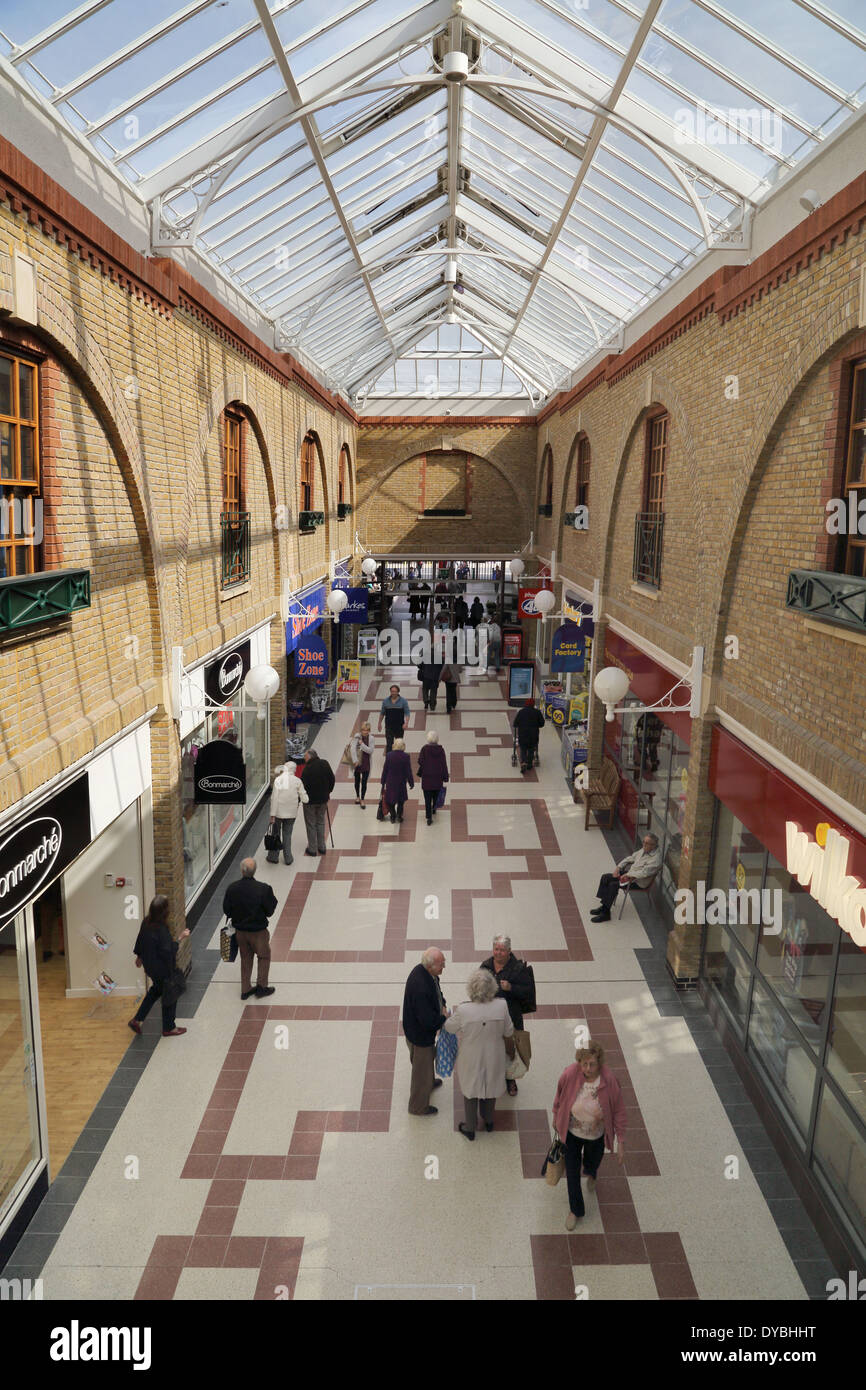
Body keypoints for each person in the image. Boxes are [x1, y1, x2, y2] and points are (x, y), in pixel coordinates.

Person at [552, 1039, 627, 1228]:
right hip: (571, 1133)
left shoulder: (609, 1080)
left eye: (592, 1063)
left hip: (596, 1135)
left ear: (599, 1062)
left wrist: (621, 1142)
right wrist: (556, 1116)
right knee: (572, 1172)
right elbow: (559, 1096)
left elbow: (618, 1109)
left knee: (592, 1161)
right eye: (584, 1063)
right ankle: (575, 1210)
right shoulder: (570, 1073)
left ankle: (592, 1172)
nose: (588, 1068)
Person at [444, 968, 513, 1140]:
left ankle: (470, 1127)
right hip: (494, 1055)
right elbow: (509, 1030)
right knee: (491, 1085)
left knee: (470, 1090)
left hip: (471, 1056)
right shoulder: (502, 1005)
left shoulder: (464, 1009)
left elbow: (449, 1027)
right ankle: (489, 1121)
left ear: (471, 989)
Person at [128, 895, 190, 1037]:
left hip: (150, 967)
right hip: (162, 969)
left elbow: (140, 940)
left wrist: (139, 957)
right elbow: (168, 951)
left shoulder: (146, 922)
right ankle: (169, 1027)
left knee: (156, 990)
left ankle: (137, 1019)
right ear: (164, 911)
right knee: (170, 993)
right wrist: (181, 937)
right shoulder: (161, 930)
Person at [480, 934, 532, 1096]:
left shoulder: (518, 968)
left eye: (502, 950)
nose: (498, 953)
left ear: (509, 951)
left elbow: (527, 992)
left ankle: (511, 1080)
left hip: (511, 1019)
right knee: (492, 1048)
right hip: (490, 1018)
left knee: (511, 1050)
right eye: (496, 949)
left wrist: (512, 988)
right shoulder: (486, 966)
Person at [222, 859, 278, 1000]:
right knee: (264, 956)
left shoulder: (232, 888)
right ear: (255, 871)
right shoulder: (263, 889)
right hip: (258, 932)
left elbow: (226, 909)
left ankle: (245, 989)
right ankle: (261, 987)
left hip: (240, 932)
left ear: (242, 871)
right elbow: (270, 910)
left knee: (245, 958)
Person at [402, 948, 449, 1115]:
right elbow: (428, 1022)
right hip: (420, 1037)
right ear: (430, 966)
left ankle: (429, 1082)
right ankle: (418, 1106)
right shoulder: (421, 987)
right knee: (420, 1072)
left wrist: (442, 1002)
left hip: (417, 1031)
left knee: (428, 1060)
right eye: (441, 965)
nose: (444, 967)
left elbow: (437, 991)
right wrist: (444, 1018)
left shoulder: (426, 973)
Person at [591, 833, 662, 922]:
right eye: (644, 842)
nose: (644, 844)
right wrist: (618, 867)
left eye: (647, 843)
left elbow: (644, 873)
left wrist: (628, 875)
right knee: (605, 877)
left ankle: (606, 914)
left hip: (638, 881)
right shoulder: (645, 849)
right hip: (630, 874)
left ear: (654, 845)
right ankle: (604, 906)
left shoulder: (656, 859)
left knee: (613, 885)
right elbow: (631, 858)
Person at [267, 761, 308, 864]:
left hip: (278, 813)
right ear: (294, 769)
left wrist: (272, 815)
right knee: (287, 835)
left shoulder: (279, 780)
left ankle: (273, 857)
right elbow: (305, 798)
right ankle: (288, 858)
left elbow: (274, 798)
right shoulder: (297, 781)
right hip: (291, 814)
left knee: (275, 834)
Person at [300, 748, 335, 856]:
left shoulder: (306, 770)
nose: (304, 759)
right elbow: (332, 779)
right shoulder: (324, 763)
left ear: (310, 757)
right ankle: (322, 847)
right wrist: (328, 791)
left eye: (305, 757)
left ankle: (312, 848)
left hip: (310, 802)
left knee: (311, 824)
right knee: (320, 822)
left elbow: (302, 786)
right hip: (323, 800)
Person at [417, 729, 449, 826]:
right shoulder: (441, 750)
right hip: (437, 778)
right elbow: (444, 764)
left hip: (427, 778)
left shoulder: (424, 749)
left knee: (427, 799)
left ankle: (429, 817)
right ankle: (434, 809)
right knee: (435, 795)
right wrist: (445, 777)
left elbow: (420, 761)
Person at [381, 737, 414, 822]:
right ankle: (399, 816)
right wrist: (411, 782)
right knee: (401, 800)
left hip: (391, 781)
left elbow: (385, 769)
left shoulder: (389, 755)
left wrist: (383, 780)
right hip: (401, 782)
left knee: (390, 800)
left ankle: (392, 815)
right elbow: (408, 771)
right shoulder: (406, 756)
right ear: (403, 746)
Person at [513, 698, 544, 773]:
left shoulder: (521, 712)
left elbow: (515, 724)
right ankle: (529, 764)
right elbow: (542, 724)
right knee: (531, 748)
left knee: (523, 748)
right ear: (533, 704)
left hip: (523, 734)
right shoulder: (537, 712)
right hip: (533, 735)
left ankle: (523, 762)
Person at [378, 684, 410, 752]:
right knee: (389, 744)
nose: (393, 693)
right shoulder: (385, 701)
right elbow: (382, 713)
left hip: (400, 726)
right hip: (389, 726)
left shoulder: (403, 701)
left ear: (398, 692)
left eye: (395, 691)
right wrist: (379, 723)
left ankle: (399, 759)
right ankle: (389, 759)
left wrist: (406, 723)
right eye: (392, 691)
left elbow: (407, 713)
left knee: (399, 744)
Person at [350, 723, 374, 807]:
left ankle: (362, 799)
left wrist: (362, 744)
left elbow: (370, 751)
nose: (365, 732)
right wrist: (355, 760)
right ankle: (357, 796)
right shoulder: (357, 737)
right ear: (361, 730)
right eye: (363, 730)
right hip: (357, 762)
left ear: (369, 731)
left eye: (367, 730)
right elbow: (352, 749)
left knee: (364, 782)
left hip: (366, 762)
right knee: (357, 780)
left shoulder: (371, 738)